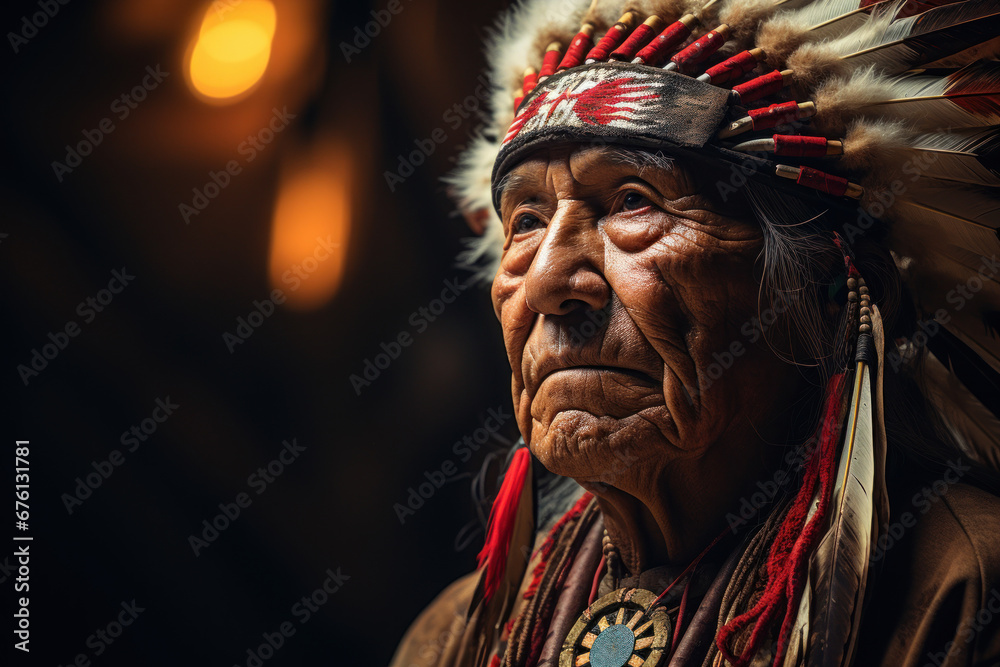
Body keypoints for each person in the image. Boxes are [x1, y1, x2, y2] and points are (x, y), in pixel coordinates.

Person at [392, 0, 1000, 665]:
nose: (546, 284)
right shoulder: (452, 639)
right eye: (527, 220)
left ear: (834, 287)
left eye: (632, 201)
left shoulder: (961, 592)